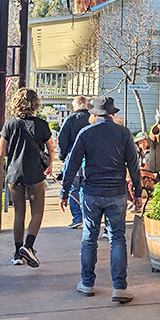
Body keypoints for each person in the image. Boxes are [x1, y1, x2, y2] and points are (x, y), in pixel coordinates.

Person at [60, 95, 141, 302]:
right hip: (116, 192)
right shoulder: (124, 134)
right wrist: (138, 193)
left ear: (94, 114)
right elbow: (133, 165)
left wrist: (64, 191)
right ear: (113, 114)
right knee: (117, 239)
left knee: (89, 238)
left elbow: (72, 165)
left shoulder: (86, 133)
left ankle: (87, 284)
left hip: (91, 193)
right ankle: (120, 288)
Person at [0, 87, 54, 268]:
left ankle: (17, 254)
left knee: (19, 213)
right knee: (37, 212)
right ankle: (28, 247)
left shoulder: (10, 125)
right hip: (35, 173)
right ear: (35, 103)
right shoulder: (42, 125)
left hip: (14, 174)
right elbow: (51, 148)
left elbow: (1, 151)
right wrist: (50, 164)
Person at [57, 95, 90, 228]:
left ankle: (77, 217)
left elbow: (62, 139)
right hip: (88, 159)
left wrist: (62, 156)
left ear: (75, 106)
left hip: (73, 158)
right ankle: (86, 215)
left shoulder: (70, 120)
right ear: (86, 105)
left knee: (72, 188)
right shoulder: (92, 119)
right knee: (84, 188)